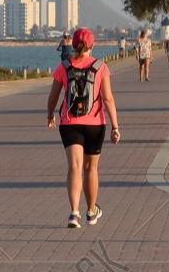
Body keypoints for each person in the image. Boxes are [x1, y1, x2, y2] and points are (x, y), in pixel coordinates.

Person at [46, 28, 120, 228]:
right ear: (92, 45)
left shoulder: (64, 66)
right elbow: (107, 98)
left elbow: (53, 97)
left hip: (70, 123)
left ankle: (74, 213)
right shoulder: (101, 67)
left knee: (75, 167)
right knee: (91, 168)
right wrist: (115, 126)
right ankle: (91, 210)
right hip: (95, 124)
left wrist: (50, 114)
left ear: (73, 44)